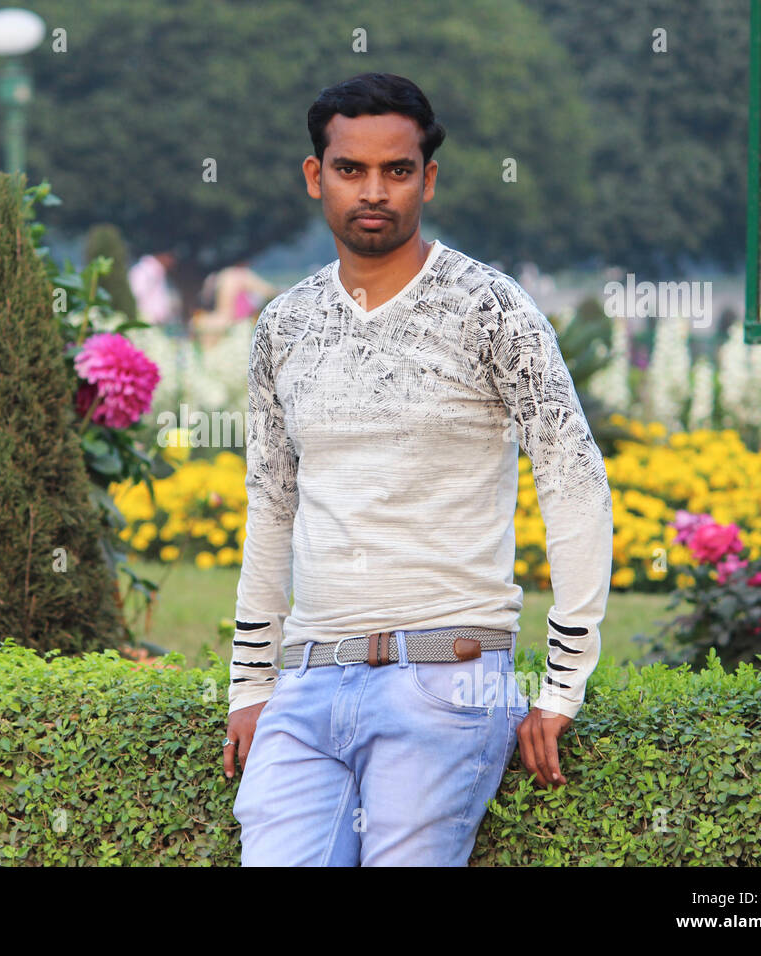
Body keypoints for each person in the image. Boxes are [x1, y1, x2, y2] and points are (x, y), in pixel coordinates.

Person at [224, 72, 613, 866]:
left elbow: (572, 481)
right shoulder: (284, 325)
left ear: (427, 179)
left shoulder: (491, 308)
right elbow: (270, 505)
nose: (374, 191)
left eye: (397, 171)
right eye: (350, 169)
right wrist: (251, 685)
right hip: (307, 684)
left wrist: (563, 684)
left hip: (446, 677)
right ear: (315, 177)